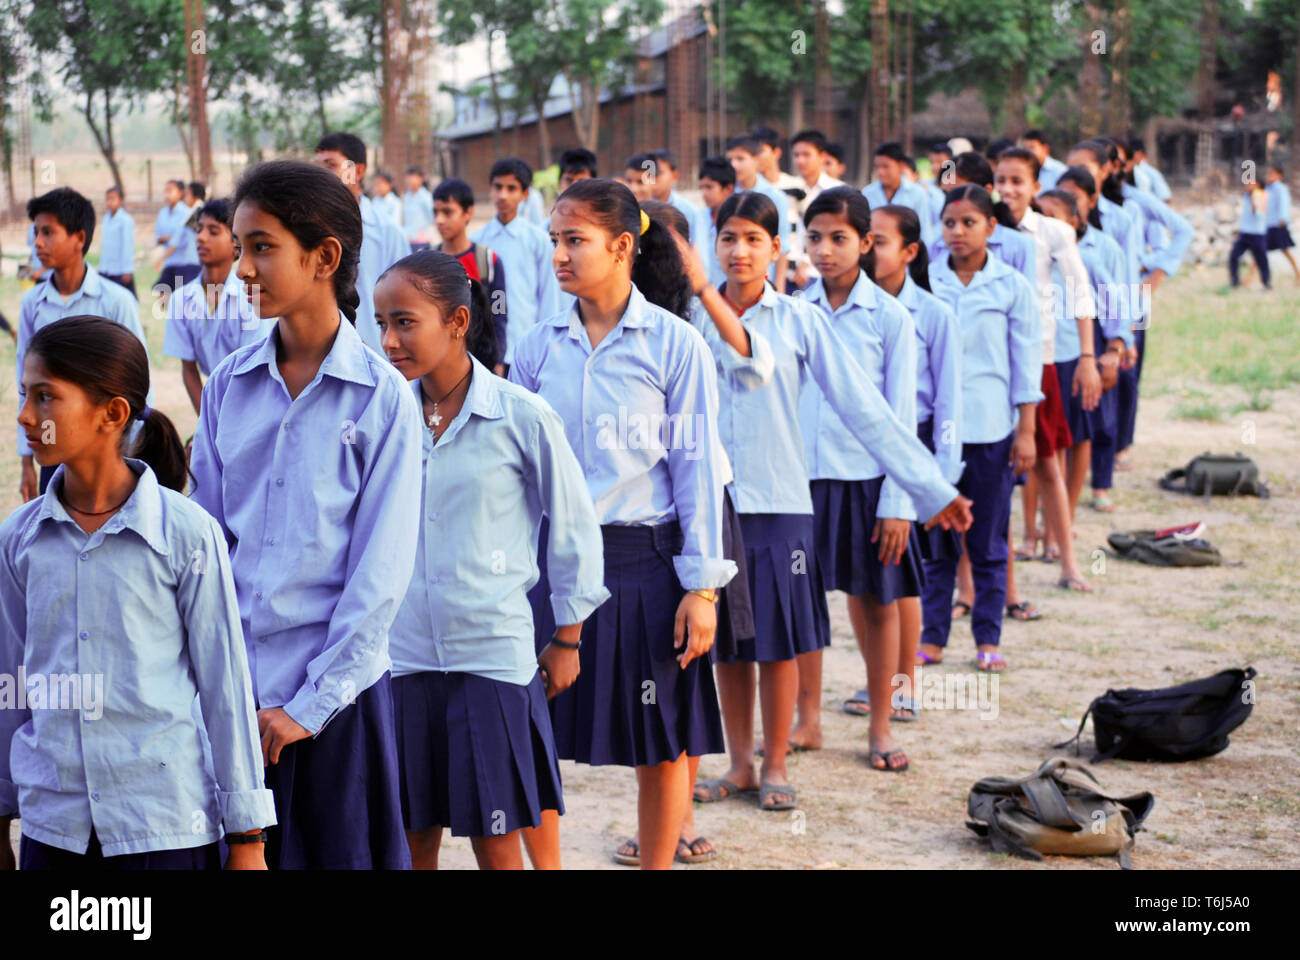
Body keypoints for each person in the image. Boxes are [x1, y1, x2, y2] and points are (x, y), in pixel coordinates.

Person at [689, 190, 971, 806]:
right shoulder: (688, 319)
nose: (740, 252)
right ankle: (738, 763)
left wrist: (925, 488)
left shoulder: (798, 320)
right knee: (731, 645)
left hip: (783, 499)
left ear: (775, 250)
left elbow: (868, 411)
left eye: (754, 240)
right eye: (728, 239)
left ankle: (777, 766)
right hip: (715, 502)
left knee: (781, 640)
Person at [189, 160, 423, 869]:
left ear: (323, 257)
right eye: (239, 245)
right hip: (233, 698)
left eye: (262, 247)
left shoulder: (381, 399)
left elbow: (378, 578)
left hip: (335, 707)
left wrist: (308, 706)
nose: (242, 266)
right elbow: (203, 542)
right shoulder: (229, 384)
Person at [510, 178, 736, 870]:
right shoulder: (537, 346)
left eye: (574, 240)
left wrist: (702, 589)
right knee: (529, 730)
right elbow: (516, 470)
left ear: (622, 246)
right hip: (553, 562)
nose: (560, 255)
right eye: (554, 241)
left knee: (662, 736)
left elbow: (696, 468)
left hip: (644, 562)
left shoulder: (675, 345)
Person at [0, 316, 274, 871]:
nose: (26, 416)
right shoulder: (18, 539)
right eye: (25, 395)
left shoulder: (187, 534)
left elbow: (225, 688)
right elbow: (9, 686)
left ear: (113, 413)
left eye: (46, 397)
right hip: (55, 832)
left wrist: (247, 839)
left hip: (164, 829)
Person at [374, 251, 608, 870]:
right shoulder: (382, 418)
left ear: (456, 321)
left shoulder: (520, 415)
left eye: (404, 322)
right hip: (400, 655)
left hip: (491, 655)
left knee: (495, 834)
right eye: (381, 325)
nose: (390, 341)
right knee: (410, 833)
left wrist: (567, 636)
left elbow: (576, 526)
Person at [797, 189, 925, 772]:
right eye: (815, 237)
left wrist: (897, 502)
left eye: (839, 238)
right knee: (801, 605)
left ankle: (880, 725)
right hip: (802, 480)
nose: (824, 251)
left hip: (869, 483)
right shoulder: (794, 309)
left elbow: (900, 414)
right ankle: (807, 720)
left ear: (867, 243)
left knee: (876, 602)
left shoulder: (891, 318)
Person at [919, 185, 1042, 671]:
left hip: (992, 429)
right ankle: (931, 638)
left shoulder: (1012, 286)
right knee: (937, 542)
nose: (958, 232)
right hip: (938, 433)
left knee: (989, 539)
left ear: (992, 228)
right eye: (950, 223)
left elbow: (1025, 362)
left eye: (969, 223)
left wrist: (1027, 431)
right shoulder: (926, 282)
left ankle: (988, 639)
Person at [994, 147, 1098, 595]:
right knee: (994, 473)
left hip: (1040, 362)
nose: (1008, 189)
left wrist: (1089, 359)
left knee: (1048, 464)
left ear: (1036, 187)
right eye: (1001, 180)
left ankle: (1069, 562)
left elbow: (1080, 294)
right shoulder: (984, 228)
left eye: (1018, 181)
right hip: (989, 364)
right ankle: (994, 578)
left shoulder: (1053, 231)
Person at [871, 204, 963, 682]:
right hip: (865, 449)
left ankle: (903, 678)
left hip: (919, 442)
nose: (868, 249)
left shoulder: (932, 314)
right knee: (872, 580)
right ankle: (880, 681)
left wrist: (940, 480)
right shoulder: (846, 306)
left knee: (906, 572)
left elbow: (948, 403)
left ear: (910, 252)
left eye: (879, 241)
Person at [18, 187, 146, 501]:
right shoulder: (32, 304)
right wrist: (26, 460)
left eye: (48, 232)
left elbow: (140, 382)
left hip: (106, 449)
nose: (37, 242)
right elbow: (24, 385)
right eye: (36, 232)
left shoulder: (116, 301)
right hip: (52, 438)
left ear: (79, 238)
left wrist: (131, 447)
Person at [1052, 167, 1132, 515]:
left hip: (1096, 337)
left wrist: (1120, 346)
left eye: (1076, 196)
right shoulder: (1044, 248)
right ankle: (1058, 500)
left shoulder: (1102, 248)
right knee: (1068, 420)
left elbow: (1125, 295)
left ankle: (1101, 485)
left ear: (1088, 203)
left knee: (1099, 416)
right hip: (1059, 340)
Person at [162, 198, 275, 414]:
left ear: (235, 245)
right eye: (199, 230)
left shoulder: (251, 297)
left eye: (213, 231)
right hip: (213, 404)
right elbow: (189, 370)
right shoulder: (180, 299)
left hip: (255, 400)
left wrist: (228, 422)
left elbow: (250, 370)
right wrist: (208, 420)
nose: (201, 238)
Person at [315, 132, 412, 352]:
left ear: (357, 171)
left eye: (331, 165)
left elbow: (408, 299)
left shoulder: (387, 232)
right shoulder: (307, 229)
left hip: (376, 354)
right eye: (318, 167)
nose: (321, 175)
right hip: (320, 356)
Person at [471, 157, 560, 371]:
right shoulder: (477, 241)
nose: (503, 195)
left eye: (511, 188)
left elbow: (548, 297)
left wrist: (545, 345)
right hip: (487, 347)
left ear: (525, 194)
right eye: (498, 187)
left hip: (527, 344)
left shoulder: (538, 241)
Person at [433, 177, 507, 372]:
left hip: (481, 363)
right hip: (437, 363)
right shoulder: (425, 262)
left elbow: (499, 312)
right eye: (436, 212)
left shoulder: (489, 261)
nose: (439, 220)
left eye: (447, 212)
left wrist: (498, 361)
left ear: (468, 213)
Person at [789, 129, 845, 285]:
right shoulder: (787, 190)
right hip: (790, 275)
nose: (800, 160)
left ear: (822, 156)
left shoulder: (838, 192)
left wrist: (806, 263)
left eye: (806, 155)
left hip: (824, 273)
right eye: (796, 155)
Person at [864, 142, 934, 247]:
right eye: (877, 167)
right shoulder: (867, 193)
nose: (880, 172)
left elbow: (925, 231)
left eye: (886, 166)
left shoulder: (917, 193)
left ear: (900, 166)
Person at [153, 179, 201, 298]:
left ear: (180, 193)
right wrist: (166, 239)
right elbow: (158, 237)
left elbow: (177, 241)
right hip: (170, 262)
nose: (167, 194)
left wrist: (161, 259)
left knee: (183, 298)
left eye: (170, 191)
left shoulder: (186, 213)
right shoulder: (162, 213)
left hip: (185, 262)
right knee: (163, 295)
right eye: (165, 191)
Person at [695, 155, 737, 289]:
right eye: (701, 188)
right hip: (704, 295)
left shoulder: (740, 220)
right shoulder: (698, 218)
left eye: (709, 187)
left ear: (728, 188)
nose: (704, 193)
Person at [99, 185, 136, 298]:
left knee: (124, 298)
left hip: (120, 270)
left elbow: (128, 246)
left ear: (121, 201)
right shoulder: (106, 219)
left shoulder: (125, 220)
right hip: (106, 268)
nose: (109, 202)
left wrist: (127, 270)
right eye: (108, 199)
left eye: (113, 199)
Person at [1264, 163, 1298, 283]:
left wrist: (1283, 219)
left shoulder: (1280, 188)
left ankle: (1298, 274)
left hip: (1278, 225)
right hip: (1268, 225)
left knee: (1284, 250)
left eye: (1271, 174)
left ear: (1280, 175)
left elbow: (1284, 204)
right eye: (1268, 174)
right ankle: (1251, 279)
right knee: (1260, 251)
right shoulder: (1267, 189)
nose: (1268, 176)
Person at [403, 167, 435, 251]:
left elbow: (432, 217)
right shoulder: (407, 196)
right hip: (408, 239)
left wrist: (422, 231)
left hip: (421, 241)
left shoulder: (425, 197)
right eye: (408, 177)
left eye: (412, 177)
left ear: (421, 179)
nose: (409, 180)